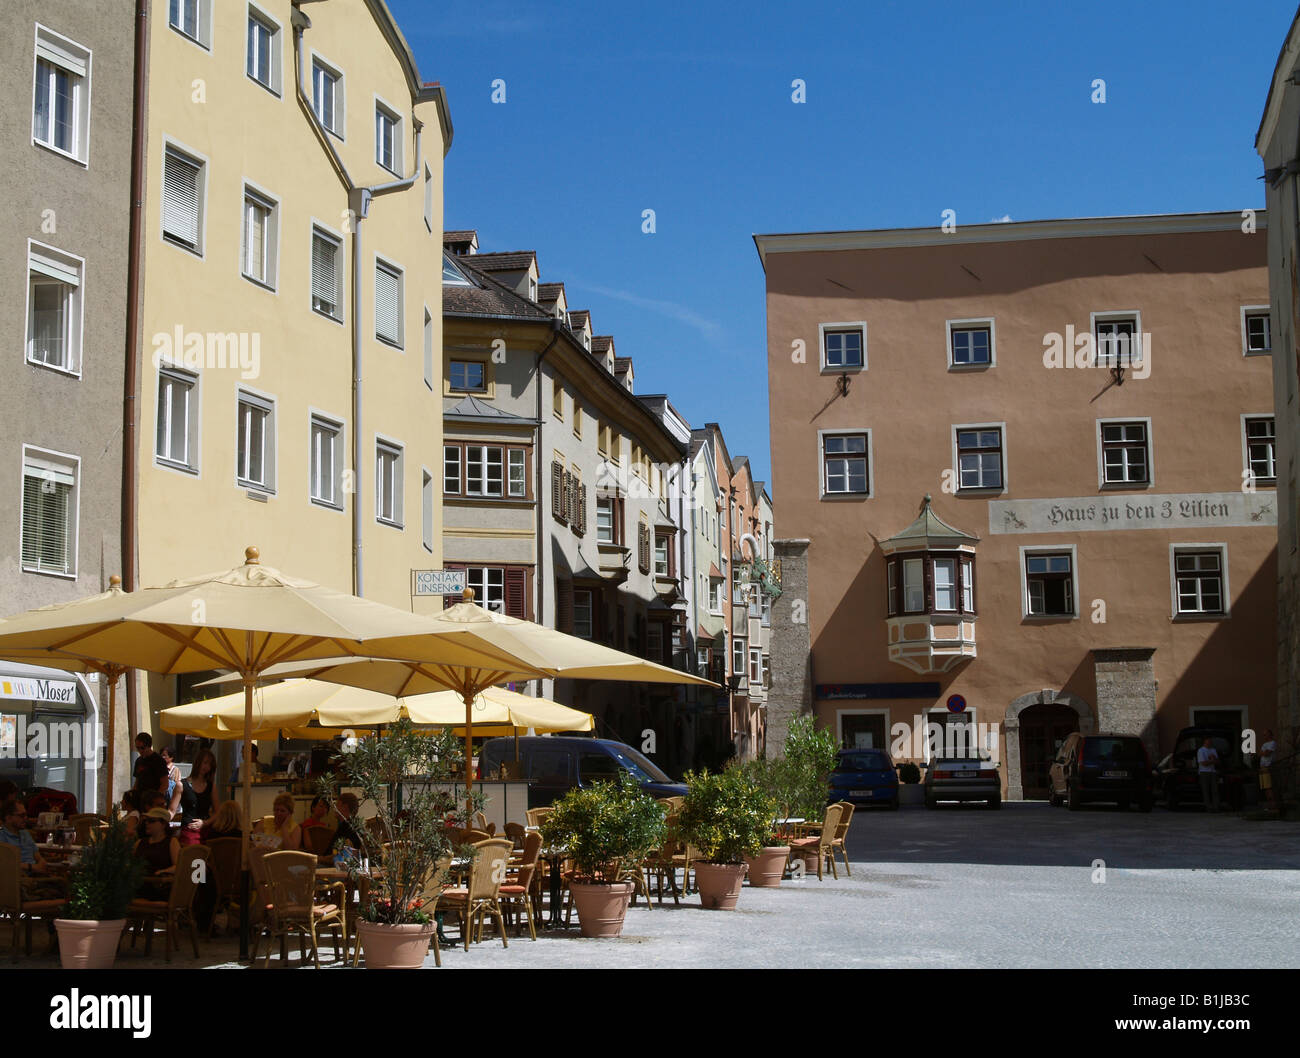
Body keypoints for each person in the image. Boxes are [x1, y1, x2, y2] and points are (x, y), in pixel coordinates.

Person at [175, 749, 219, 847]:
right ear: (198, 762)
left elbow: (217, 812)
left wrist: (205, 823)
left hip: (207, 830)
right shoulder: (182, 785)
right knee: (193, 852)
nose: (206, 767)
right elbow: (172, 810)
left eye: (210, 765)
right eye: (205, 762)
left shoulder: (211, 786)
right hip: (189, 830)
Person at [134, 808, 180, 886]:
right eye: (146, 820)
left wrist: (163, 872)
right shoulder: (140, 842)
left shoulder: (171, 842)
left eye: (151, 821)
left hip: (158, 884)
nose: (147, 823)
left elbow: (178, 866)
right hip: (137, 883)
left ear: (163, 824)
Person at [133, 732, 167, 796]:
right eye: (137, 748)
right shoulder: (139, 761)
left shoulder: (158, 760)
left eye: (142, 748)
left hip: (153, 798)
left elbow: (164, 784)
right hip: (140, 798)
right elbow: (137, 782)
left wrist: (156, 798)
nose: (140, 750)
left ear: (149, 746)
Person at [1197, 736, 1222, 813]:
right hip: (1204, 772)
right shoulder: (1201, 751)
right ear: (1204, 742)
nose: (1210, 742)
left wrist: (1212, 760)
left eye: (1211, 741)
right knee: (1206, 790)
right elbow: (1203, 763)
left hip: (1213, 772)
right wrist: (1212, 760)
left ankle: (1216, 807)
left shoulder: (1213, 750)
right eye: (1208, 741)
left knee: (1215, 790)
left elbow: (1218, 761)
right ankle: (1208, 807)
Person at [1259, 728, 1278, 813]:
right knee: (1265, 787)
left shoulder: (1272, 743)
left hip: (1268, 766)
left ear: (1270, 734)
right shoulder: (1264, 744)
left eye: (1265, 734)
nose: (1264, 736)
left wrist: (1263, 753)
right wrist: (1263, 753)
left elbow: (1267, 753)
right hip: (1263, 767)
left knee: (1269, 787)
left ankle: (1273, 806)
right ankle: (1270, 806)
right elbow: (1261, 753)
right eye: (1263, 734)